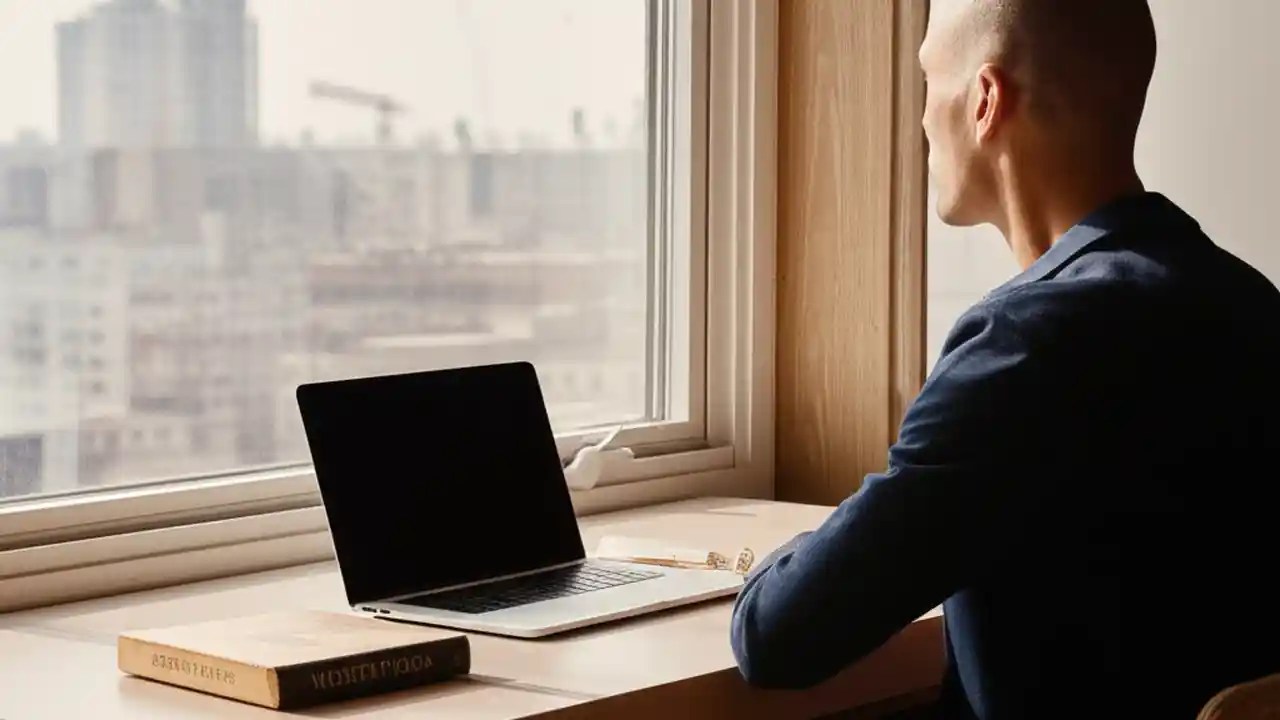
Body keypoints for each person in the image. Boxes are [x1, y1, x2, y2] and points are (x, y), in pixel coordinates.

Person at [729, 0, 1280, 717]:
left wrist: (769, 559)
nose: (923, 119)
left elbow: (779, 634)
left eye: (929, 81)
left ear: (985, 100)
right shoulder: (1247, 301)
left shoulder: (1026, 343)